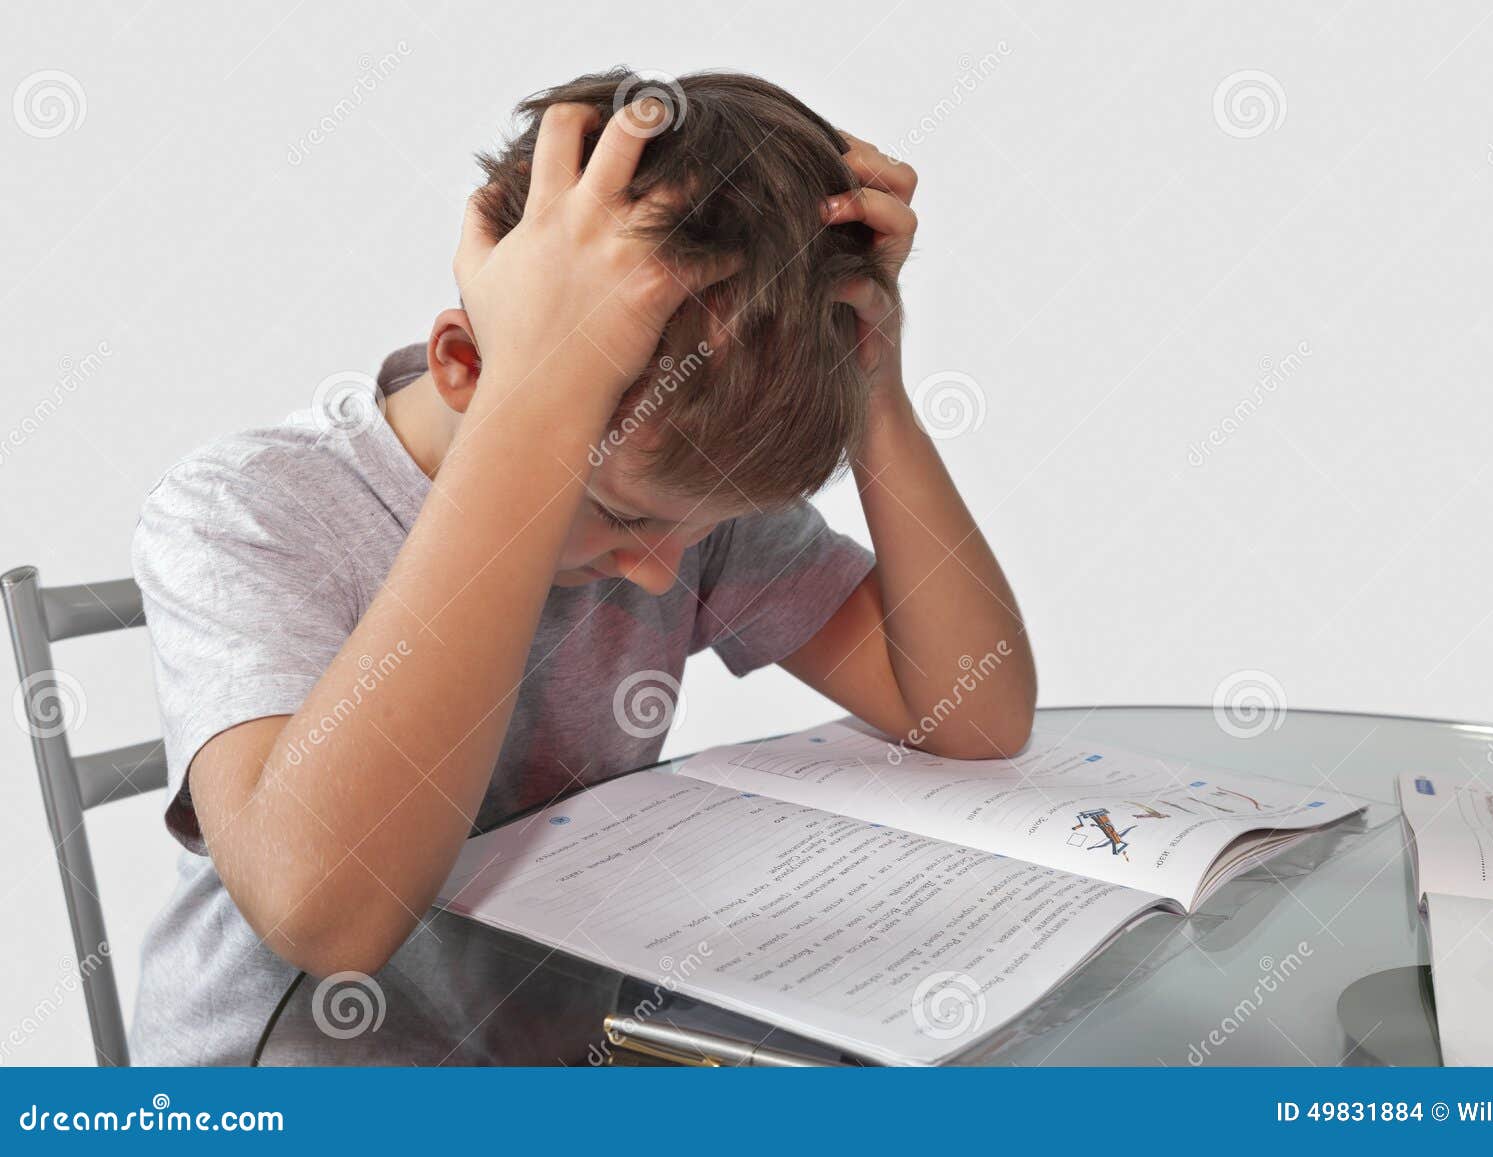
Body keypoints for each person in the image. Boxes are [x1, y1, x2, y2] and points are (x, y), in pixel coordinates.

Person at [128, 69, 1036, 1064]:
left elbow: (973, 715)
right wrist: (538, 400)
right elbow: (330, 918)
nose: (657, 571)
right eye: (619, 515)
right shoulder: (250, 506)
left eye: (694, 531)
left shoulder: (675, 490)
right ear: (466, 365)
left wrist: (873, 388)